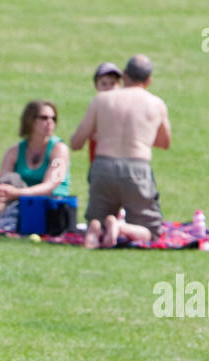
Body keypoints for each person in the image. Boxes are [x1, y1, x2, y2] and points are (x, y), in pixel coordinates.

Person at [69, 54, 172, 248]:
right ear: (148, 81)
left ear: (124, 76)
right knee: (151, 230)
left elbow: (76, 142)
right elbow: (164, 142)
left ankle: (96, 227)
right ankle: (120, 227)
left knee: (96, 217)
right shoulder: (156, 104)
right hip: (137, 168)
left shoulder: (102, 100)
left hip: (103, 166)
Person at [0, 100, 72, 235]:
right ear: (30, 120)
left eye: (53, 118)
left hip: (53, 204)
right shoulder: (15, 151)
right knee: (7, 182)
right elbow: (2, 182)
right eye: (44, 118)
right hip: (23, 202)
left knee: (8, 185)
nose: (50, 122)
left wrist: (15, 192)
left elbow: (51, 185)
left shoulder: (60, 150)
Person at [87, 62, 123, 164]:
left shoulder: (123, 108)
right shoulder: (95, 108)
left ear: (119, 85)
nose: (108, 88)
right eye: (103, 84)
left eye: (113, 83)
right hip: (99, 162)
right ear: (96, 86)